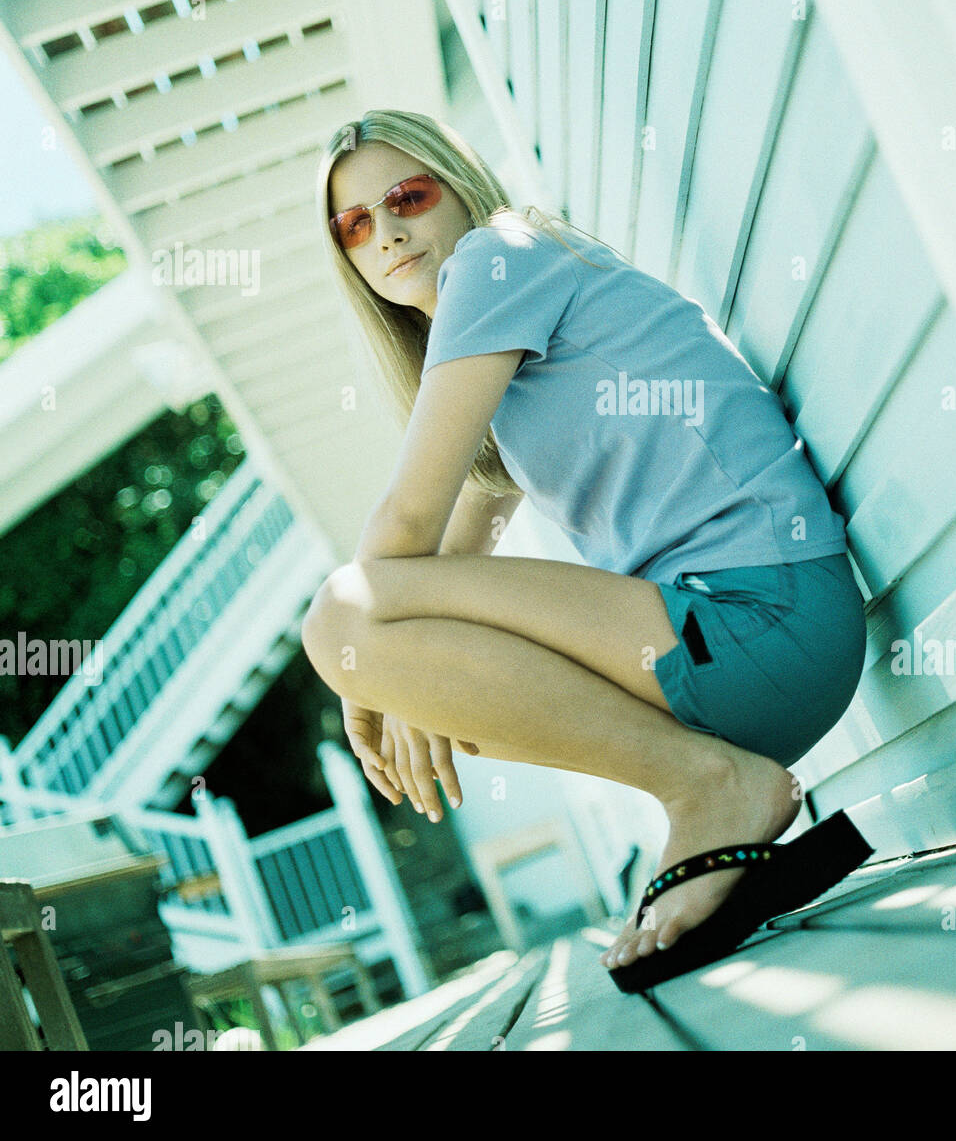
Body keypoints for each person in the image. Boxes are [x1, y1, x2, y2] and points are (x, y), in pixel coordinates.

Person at [302, 108, 868, 982]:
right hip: (739, 656)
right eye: (357, 225)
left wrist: (356, 684)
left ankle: (708, 789)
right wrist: (394, 679)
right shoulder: (509, 357)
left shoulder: (499, 256)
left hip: (768, 618)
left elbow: (402, 535)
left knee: (343, 612)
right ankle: (706, 783)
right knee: (427, 666)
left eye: (408, 195)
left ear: (458, 185)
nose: (390, 231)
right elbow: (438, 576)